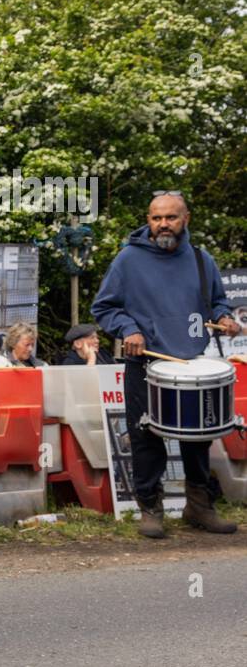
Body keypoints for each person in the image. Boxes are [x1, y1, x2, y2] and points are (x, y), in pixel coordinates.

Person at [92, 192, 241, 537]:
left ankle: (199, 507)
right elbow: (104, 308)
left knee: (198, 438)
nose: (163, 225)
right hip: (145, 365)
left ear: (185, 218)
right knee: (145, 436)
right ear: (148, 219)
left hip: (192, 365)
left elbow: (216, 302)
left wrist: (223, 316)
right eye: (156, 218)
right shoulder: (128, 260)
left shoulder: (202, 260)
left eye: (171, 218)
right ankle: (150, 508)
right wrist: (128, 329)